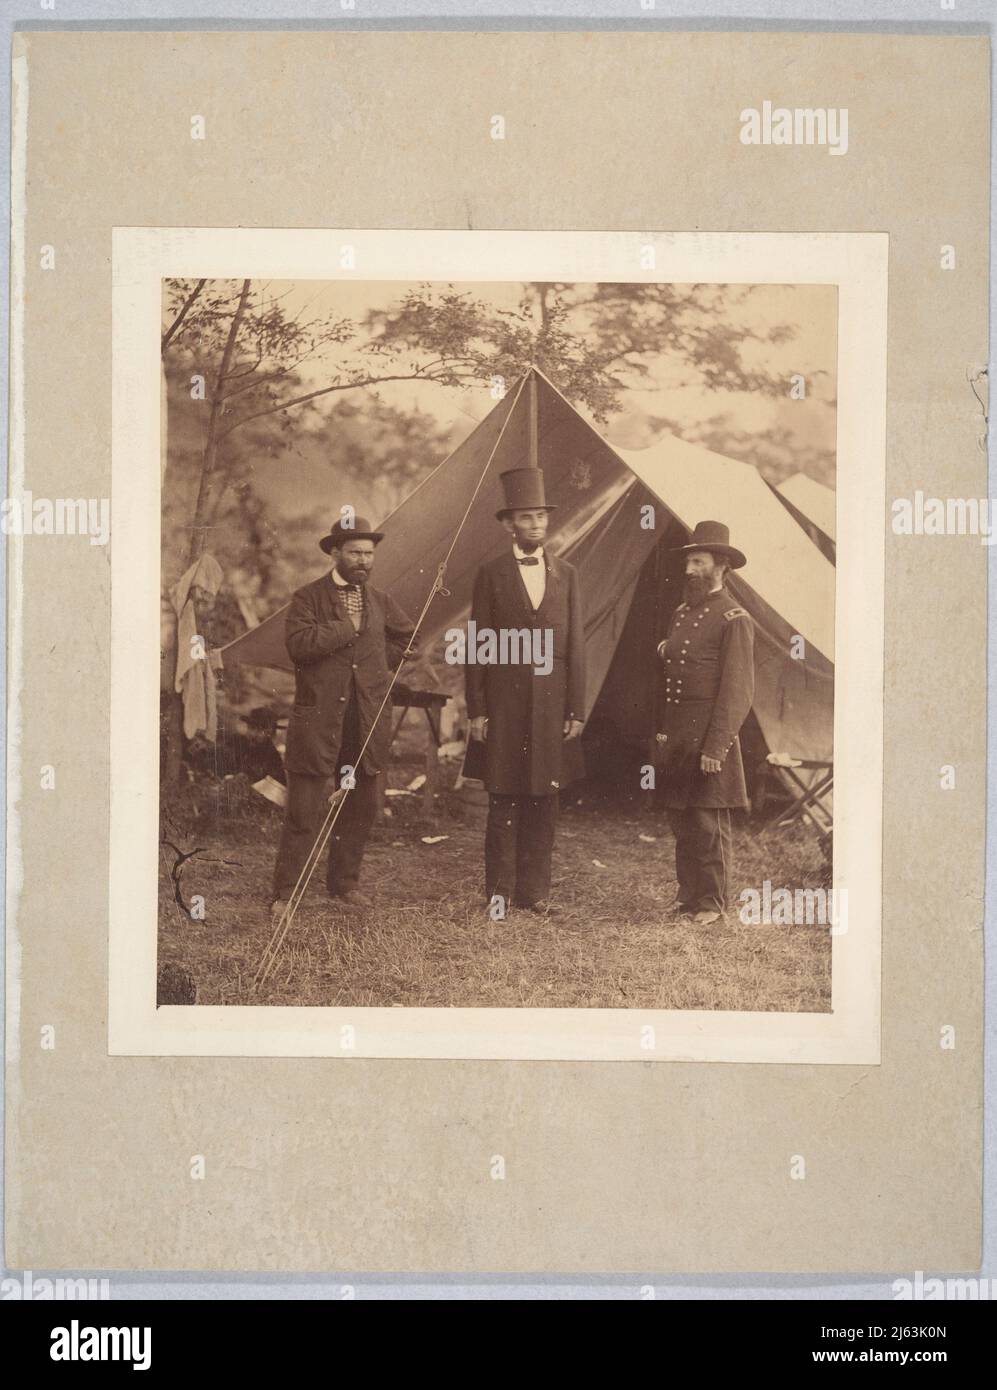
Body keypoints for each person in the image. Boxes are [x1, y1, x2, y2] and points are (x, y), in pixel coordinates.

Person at [270, 517, 416, 916]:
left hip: (364, 720)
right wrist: (344, 629)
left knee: (361, 804)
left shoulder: (382, 601)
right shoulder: (307, 598)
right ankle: (286, 892)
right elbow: (298, 646)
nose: (363, 561)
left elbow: (408, 636)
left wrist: (377, 666)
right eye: (354, 552)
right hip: (318, 721)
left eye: (369, 553)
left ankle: (344, 884)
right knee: (305, 807)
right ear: (335, 553)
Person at [465, 467, 586, 916]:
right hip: (505, 701)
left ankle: (535, 894)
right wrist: (477, 709)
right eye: (526, 517)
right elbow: (479, 643)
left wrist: (576, 707)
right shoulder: (491, 574)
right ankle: (499, 893)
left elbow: (575, 645)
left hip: (553, 705)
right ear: (508, 524)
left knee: (544, 797)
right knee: (504, 796)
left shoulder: (568, 574)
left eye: (541, 517)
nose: (535, 524)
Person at [656, 520, 754, 926]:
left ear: (721, 566)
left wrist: (716, 747)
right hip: (677, 732)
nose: (690, 570)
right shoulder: (681, 613)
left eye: (699, 562)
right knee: (680, 817)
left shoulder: (735, 618)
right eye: (689, 562)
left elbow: (738, 691)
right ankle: (687, 896)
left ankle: (712, 903)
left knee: (707, 820)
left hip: (710, 734)